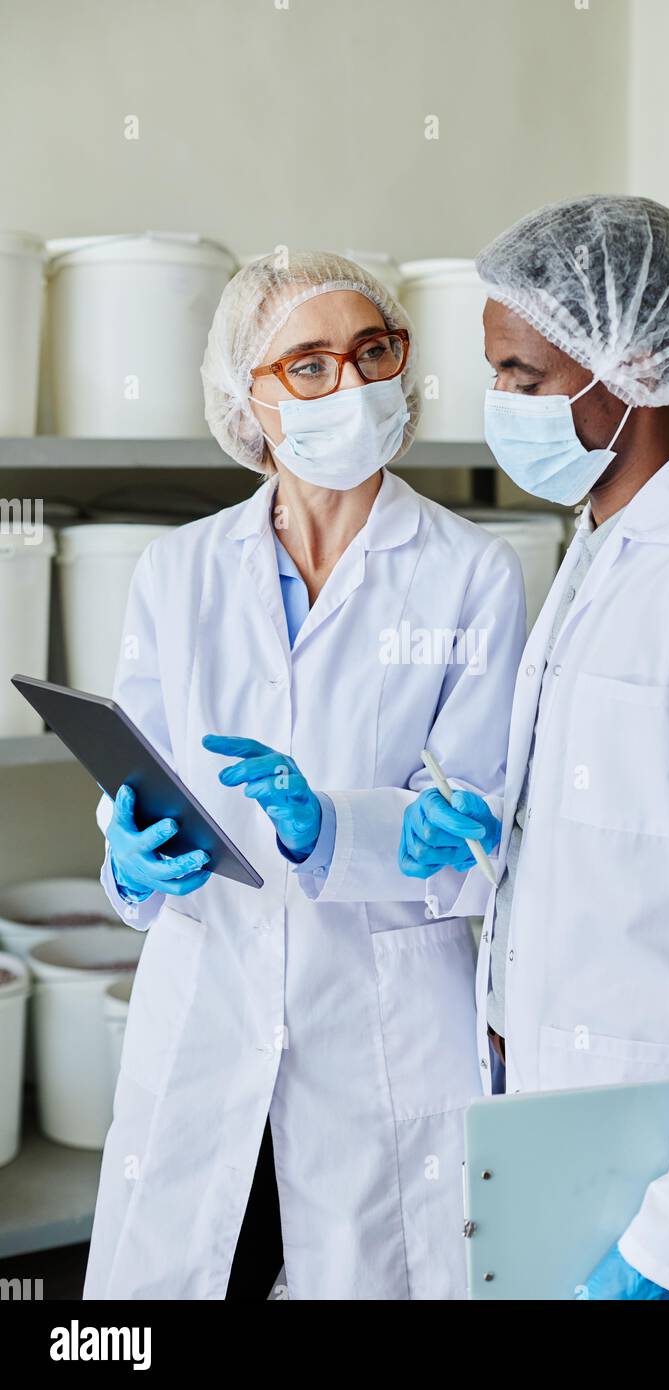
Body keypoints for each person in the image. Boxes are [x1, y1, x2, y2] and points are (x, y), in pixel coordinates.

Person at [400, 196, 669, 1299]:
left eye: (523, 377)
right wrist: (493, 845)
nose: (500, 405)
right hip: (552, 1111)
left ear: (633, 363)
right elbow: (629, 835)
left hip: (659, 1157)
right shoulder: (599, 543)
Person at [83, 252, 525, 1300]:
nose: (356, 383)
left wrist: (341, 830)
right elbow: (131, 784)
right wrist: (133, 863)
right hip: (207, 1010)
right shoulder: (177, 572)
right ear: (251, 399)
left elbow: (481, 832)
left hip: (384, 1032)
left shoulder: (470, 571)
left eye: (373, 352)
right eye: (311, 364)